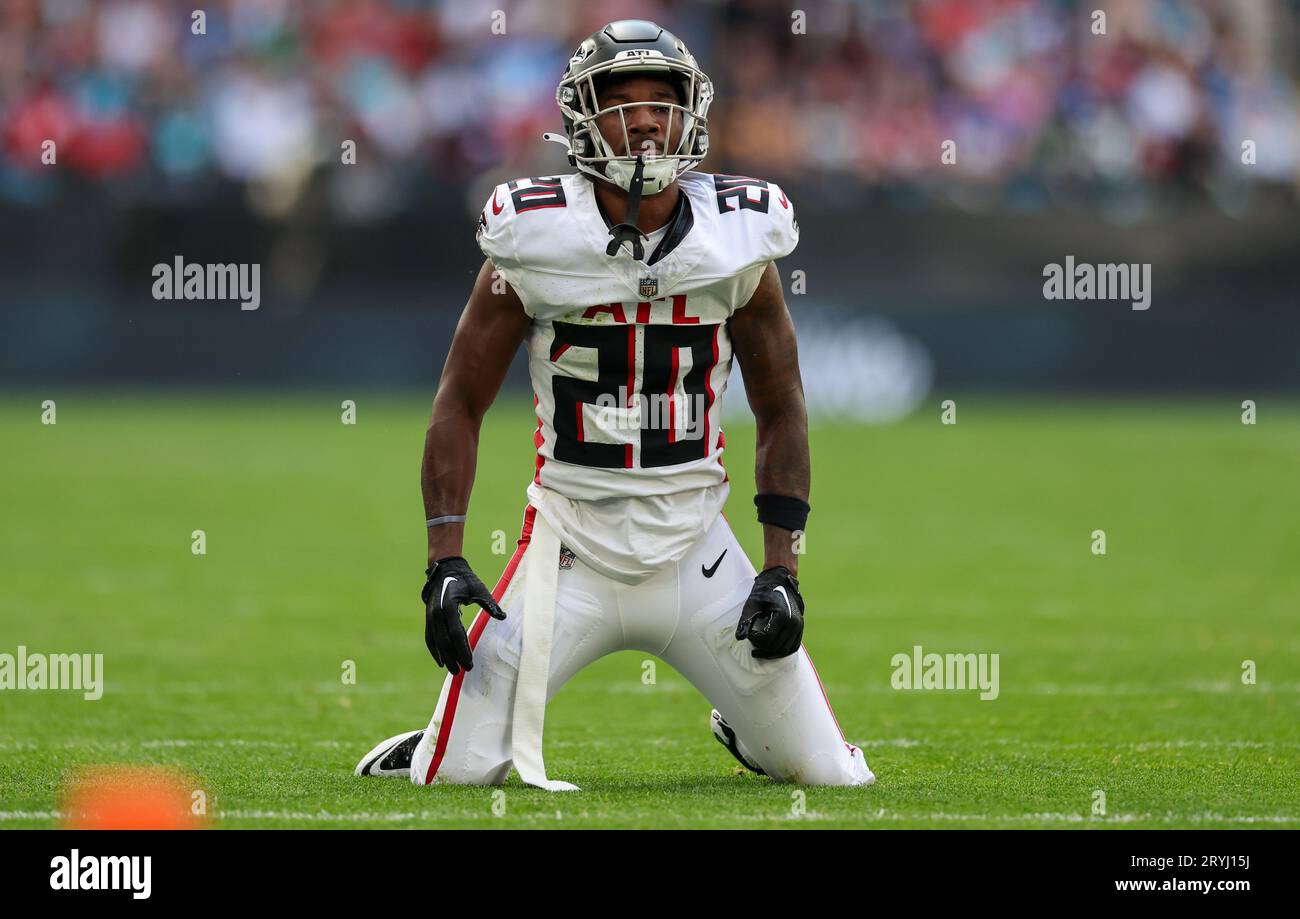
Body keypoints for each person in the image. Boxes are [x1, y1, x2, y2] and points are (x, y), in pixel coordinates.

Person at [355, 19, 873, 790]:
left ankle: (750, 721)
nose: (642, 119)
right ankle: (441, 731)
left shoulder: (739, 238)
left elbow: (781, 405)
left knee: (831, 776)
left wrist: (782, 571)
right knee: (456, 775)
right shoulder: (535, 236)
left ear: (691, 113)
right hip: (570, 550)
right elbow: (460, 401)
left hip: (698, 550)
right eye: (619, 101)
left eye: (660, 101)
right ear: (579, 121)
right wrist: (443, 561)